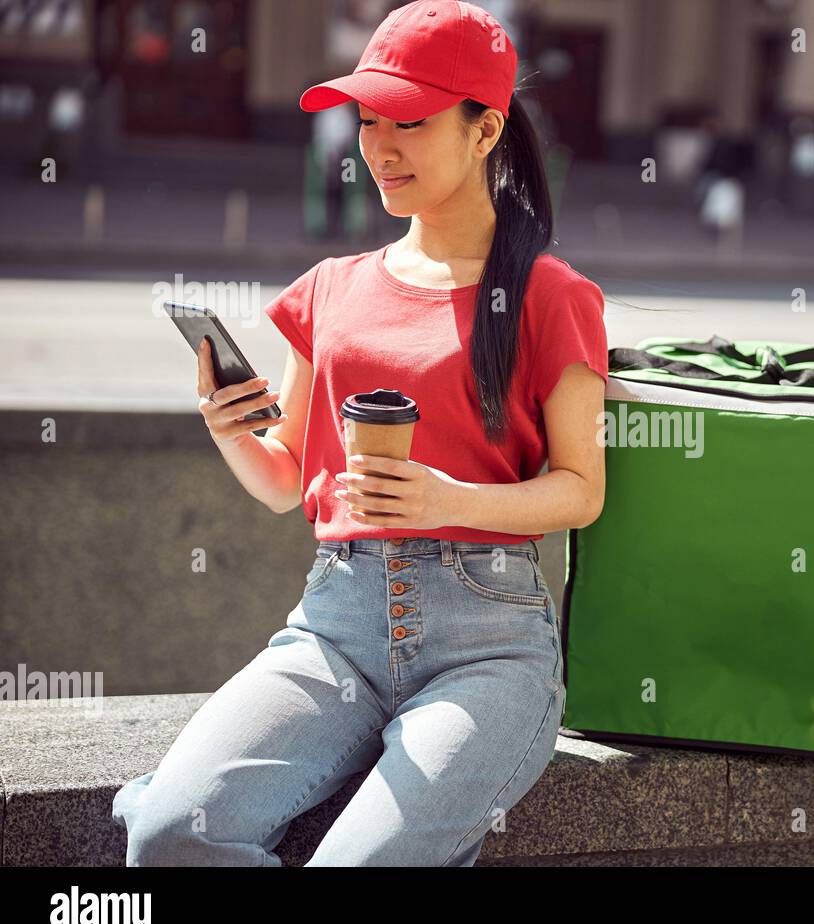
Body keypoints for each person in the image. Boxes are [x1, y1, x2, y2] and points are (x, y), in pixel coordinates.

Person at [111, 0, 608, 866]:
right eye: (368, 119)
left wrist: (450, 498)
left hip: (487, 646)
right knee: (168, 834)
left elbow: (581, 489)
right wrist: (228, 429)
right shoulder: (333, 286)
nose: (377, 146)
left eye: (409, 122)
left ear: (485, 130)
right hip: (333, 626)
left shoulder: (552, 293)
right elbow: (282, 479)